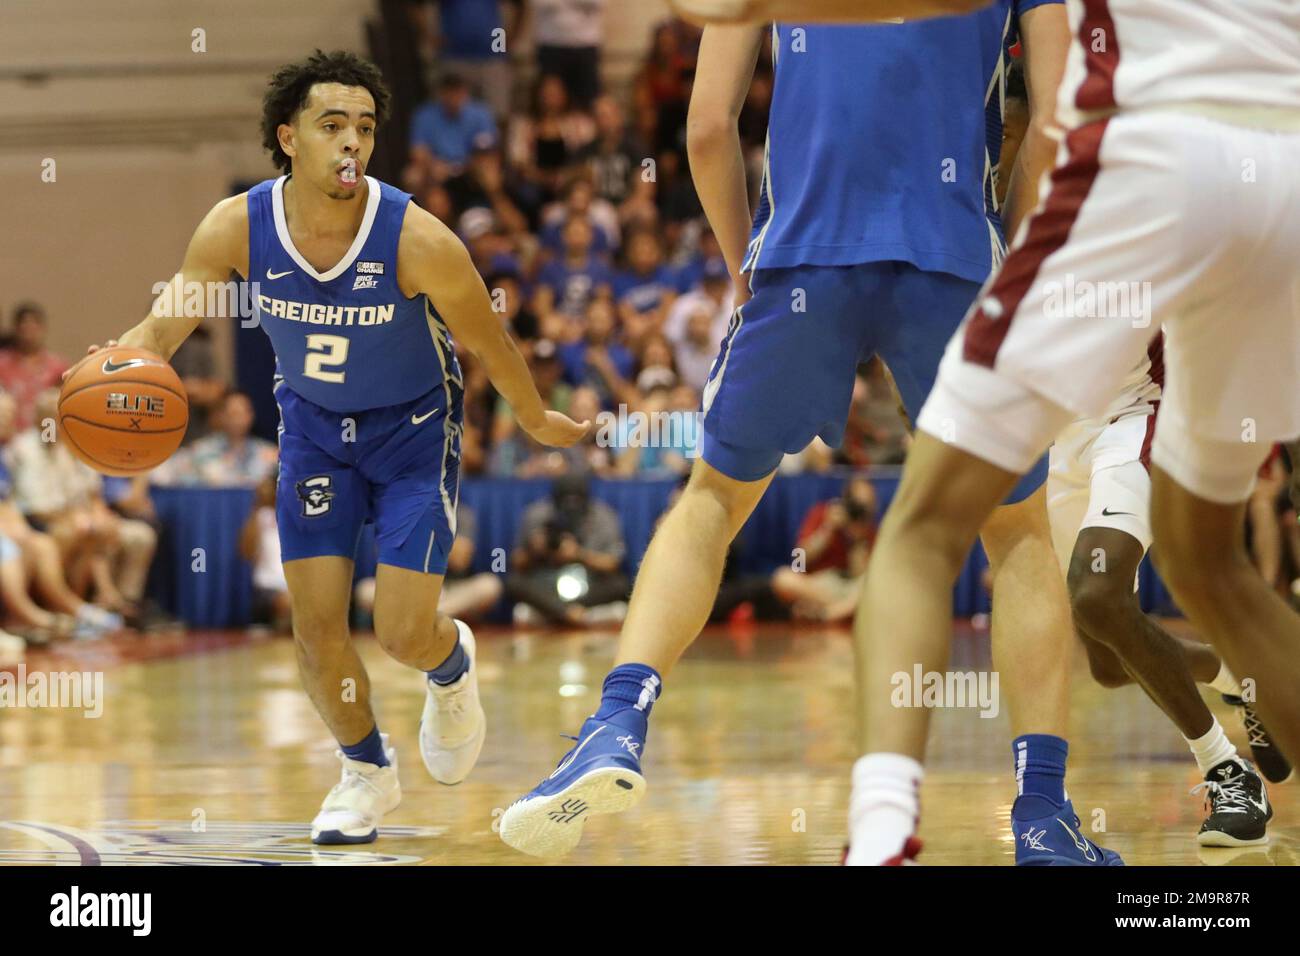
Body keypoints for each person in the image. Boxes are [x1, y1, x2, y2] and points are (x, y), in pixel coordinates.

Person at [501, 7, 1096, 864]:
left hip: (804, 259)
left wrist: (749, 264)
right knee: (1017, 536)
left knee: (710, 503)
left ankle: (616, 722)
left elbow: (707, 129)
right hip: (953, 257)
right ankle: (1042, 815)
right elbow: (1052, 119)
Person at [72, 51, 587, 846]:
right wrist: (110, 372)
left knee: (401, 632)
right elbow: (165, 326)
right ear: (289, 138)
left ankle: (450, 669)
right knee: (314, 628)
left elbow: (490, 341)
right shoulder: (235, 226)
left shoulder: (418, 238)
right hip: (313, 430)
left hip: (414, 429)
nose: (352, 143)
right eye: (331, 125)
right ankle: (365, 772)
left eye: (365, 128)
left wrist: (534, 418)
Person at [836, 0, 1300, 865]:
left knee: (1088, 590)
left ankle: (1224, 767)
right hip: (1065, 415)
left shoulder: (1087, 143)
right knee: (1110, 653)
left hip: (1141, 403)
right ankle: (1240, 682)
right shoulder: (971, 210)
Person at [505, 474, 628, 626]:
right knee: (513, 582)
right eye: (565, 502)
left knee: (620, 584)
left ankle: (556, 614)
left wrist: (578, 554)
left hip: (588, 582)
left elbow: (613, 563)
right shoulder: (536, 514)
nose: (571, 507)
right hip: (547, 582)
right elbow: (516, 562)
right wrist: (535, 551)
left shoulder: (604, 515)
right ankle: (572, 614)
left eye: (576, 502)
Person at [771, 477, 876, 623]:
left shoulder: (870, 532)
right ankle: (843, 611)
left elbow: (861, 576)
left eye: (867, 507)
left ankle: (826, 613)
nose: (861, 512)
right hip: (820, 586)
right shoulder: (822, 513)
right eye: (857, 505)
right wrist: (827, 529)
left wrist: (857, 539)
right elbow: (797, 561)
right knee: (783, 578)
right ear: (845, 501)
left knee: (871, 585)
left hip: (851, 587)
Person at [0, 303, 70, 432]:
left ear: (43, 328)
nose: (29, 332)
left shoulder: (57, 367)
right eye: (24, 327)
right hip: (8, 441)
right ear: (16, 329)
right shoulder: (2, 364)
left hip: (45, 437)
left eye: (34, 326)